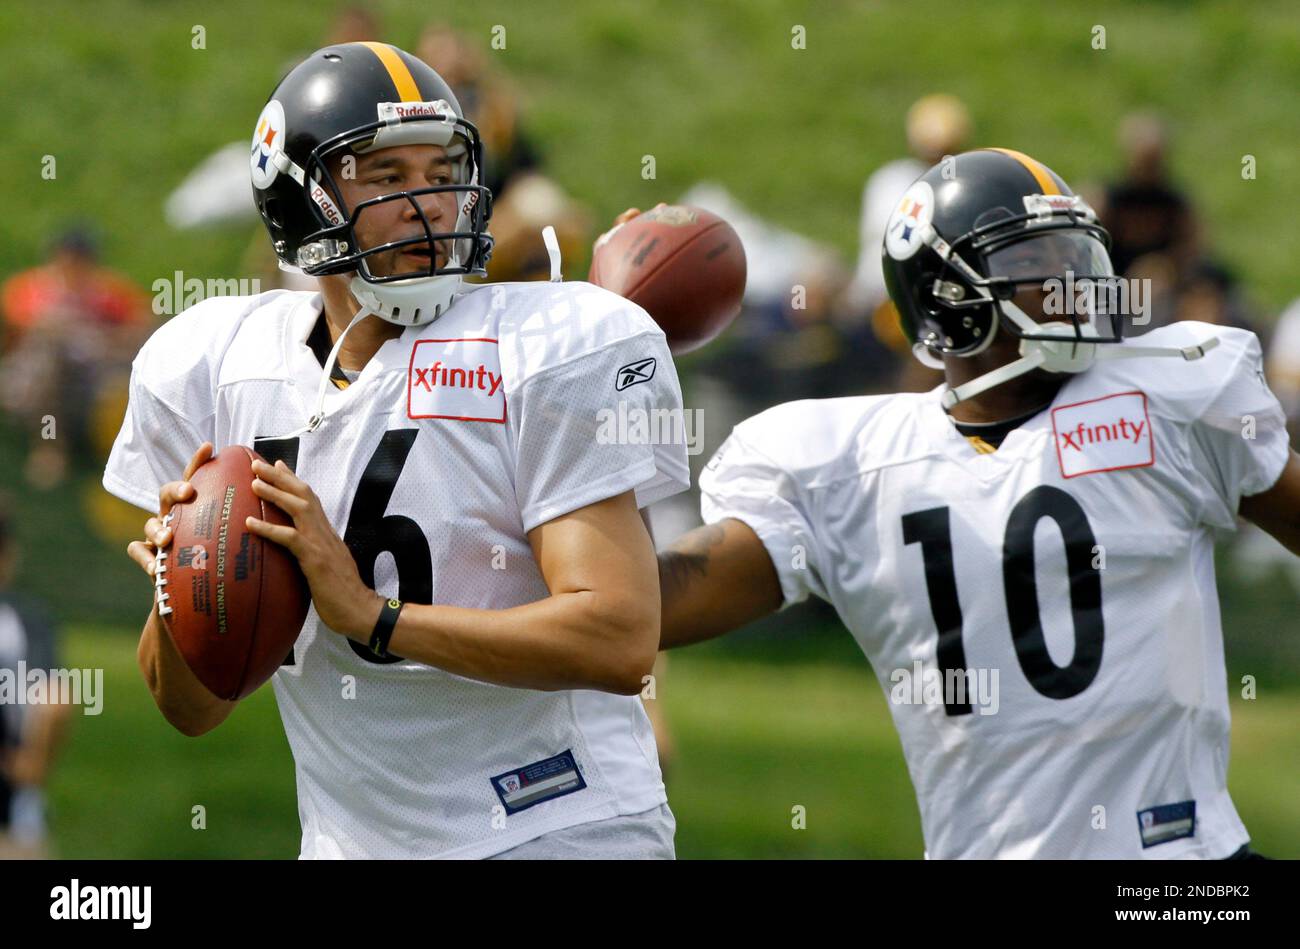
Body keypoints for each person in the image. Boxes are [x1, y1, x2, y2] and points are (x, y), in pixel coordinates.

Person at [103, 43, 689, 859]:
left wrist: (372, 616)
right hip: (354, 842)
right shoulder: (212, 367)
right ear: (299, 200)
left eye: (441, 167)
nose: (431, 205)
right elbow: (192, 710)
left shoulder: (548, 344)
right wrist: (188, 587)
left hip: (560, 824)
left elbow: (618, 638)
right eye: (386, 178)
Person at [651, 148, 1298, 858]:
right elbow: (642, 608)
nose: (1072, 282)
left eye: (1075, 255)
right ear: (945, 299)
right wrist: (613, 370)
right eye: (1035, 263)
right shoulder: (845, 466)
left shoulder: (1165, 399)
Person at [1, 227, 149, 487]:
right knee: (50, 356)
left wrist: (102, 338)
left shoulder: (105, 293)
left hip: (86, 387)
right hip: (27, 385)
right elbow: (16, 335)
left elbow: (144, 328)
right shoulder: (30, 288)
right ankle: (49, 447)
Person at [0, 499, 73, 859]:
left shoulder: (26, 621)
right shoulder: (28, 621)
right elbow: (55, 701)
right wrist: (32, 764)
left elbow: (55, 702)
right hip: (18, 804)